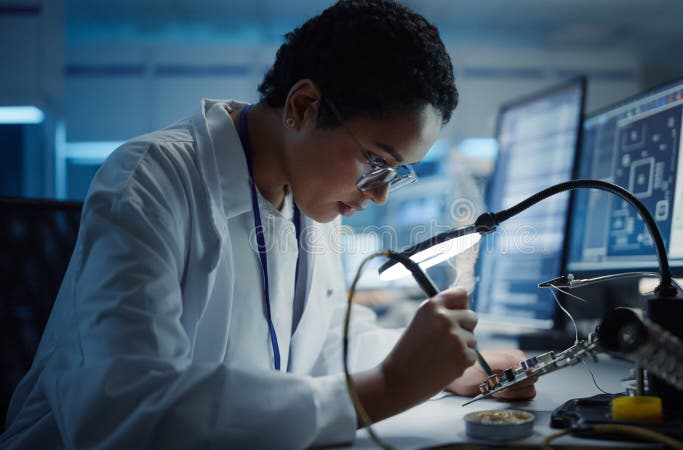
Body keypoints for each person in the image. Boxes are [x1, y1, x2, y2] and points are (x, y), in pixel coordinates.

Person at [1, 1, 534, 448]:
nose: (378, 195)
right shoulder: (150, 180)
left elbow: (321, 350)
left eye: (396, 175)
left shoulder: (307, 198)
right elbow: (122, 413)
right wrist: (390, 385)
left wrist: (440, 366)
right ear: (302, 106)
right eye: (375, 162)